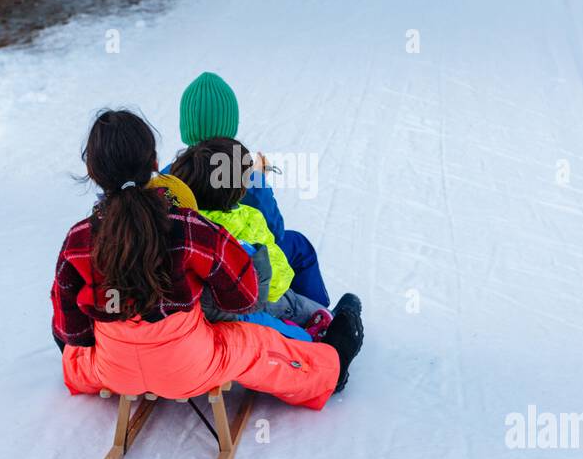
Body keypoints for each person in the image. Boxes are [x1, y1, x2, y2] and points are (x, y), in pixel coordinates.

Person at [52, 110, 364, 406]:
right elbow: (243, 299)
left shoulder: (78, 240)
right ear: (155, 163)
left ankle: (118, 364)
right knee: (254, 342)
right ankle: (328, 369)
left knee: (77, 357)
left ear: (92, 172)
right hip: (189, 368)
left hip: (114, 372)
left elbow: (72, 333)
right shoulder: (189, 226)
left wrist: (125, 324)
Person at [177, 72, 330, 306]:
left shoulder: (173, 172)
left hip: (197, 269)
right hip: (243, 268)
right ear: (230, 124)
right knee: (297, 244)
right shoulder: (244, 177)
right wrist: (258, 177)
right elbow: (275, 232)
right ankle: (317, 316)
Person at [169, 137, 333, 338]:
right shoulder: (248, 219)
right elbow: (274, 281)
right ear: (238, 191)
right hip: (254, 302)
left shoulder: (178, 215)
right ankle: (325, 322)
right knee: (306, 307)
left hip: (207, 304)